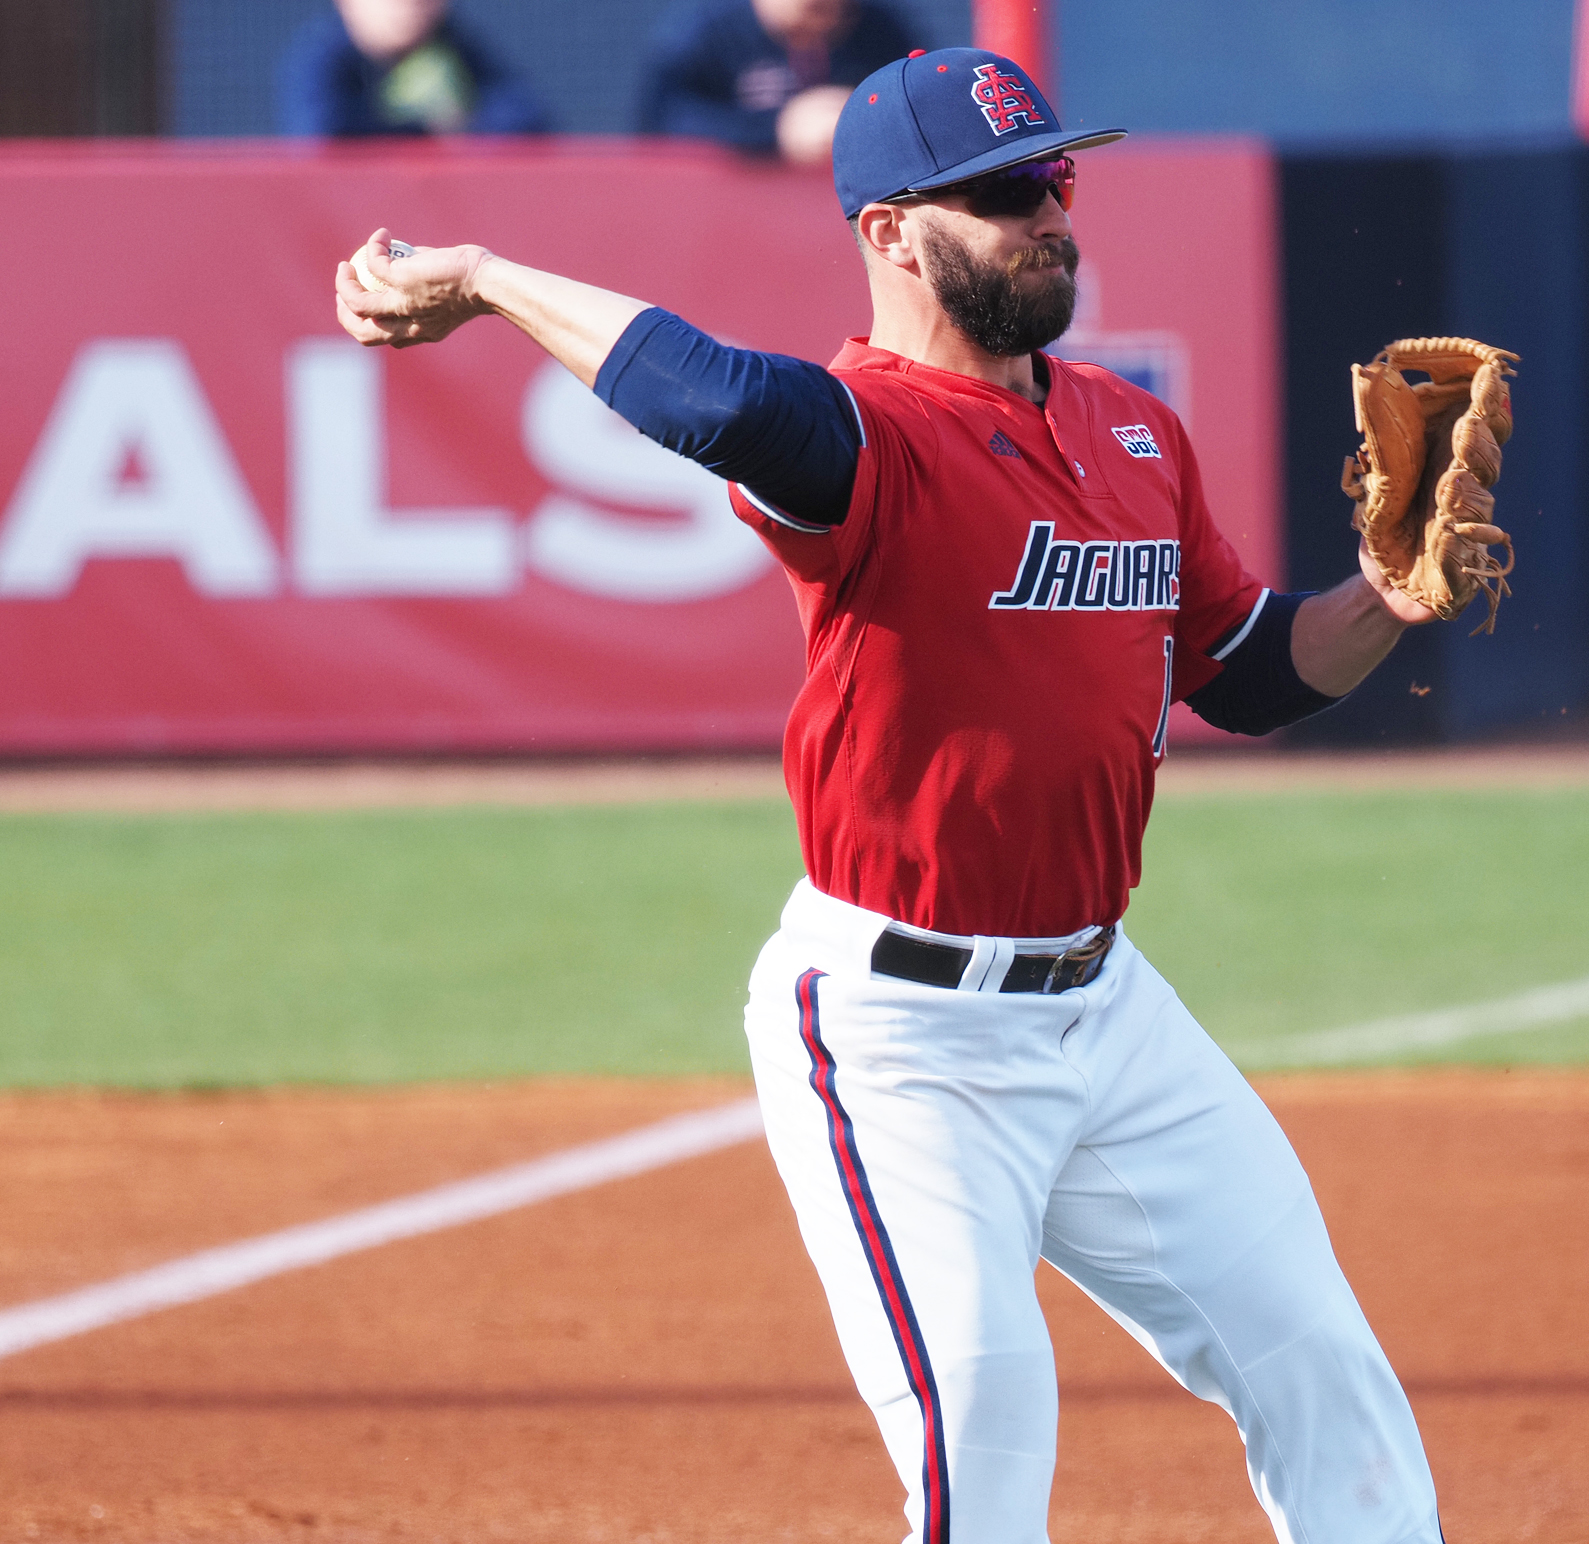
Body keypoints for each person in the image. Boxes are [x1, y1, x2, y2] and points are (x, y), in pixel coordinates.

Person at [335, 48, 1447, 1544]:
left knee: (1319, 1363)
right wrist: (478, 274)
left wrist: (1381, 595)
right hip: (897, 1037)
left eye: (1055, 176)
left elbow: (1242, 666)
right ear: (888, 232)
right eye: (1001, 194)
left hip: (1107, 1009)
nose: (1051, 214)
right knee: (980, 1418)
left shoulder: (1132, 431)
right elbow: (713, 396)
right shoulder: (869, 439)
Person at [634, 0, 914, 165]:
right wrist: (779, 129)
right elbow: (663, 119)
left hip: (846, 214)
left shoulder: (878, 29)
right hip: (736, 212)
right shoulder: (710, 31)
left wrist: (862, 119)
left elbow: (918, 106)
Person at [276, 0, 549, 137]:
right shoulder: (321, 57)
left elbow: (526, 122)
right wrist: (430, 128)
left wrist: (463, 125)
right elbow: (324, 137)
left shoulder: (456, 47)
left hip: (449, 212)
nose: (408, 7)